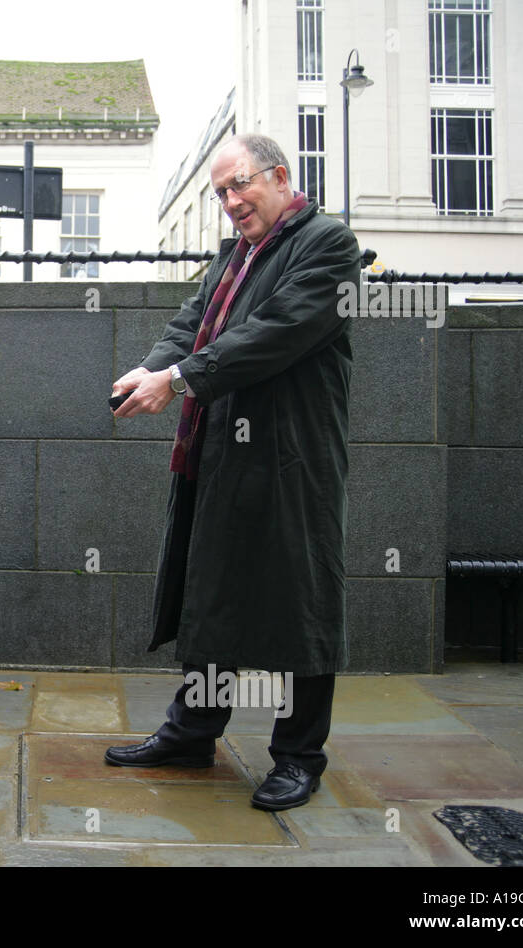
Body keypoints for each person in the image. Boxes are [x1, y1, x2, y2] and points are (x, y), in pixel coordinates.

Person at [106, 133, 359, 811]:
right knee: (211, 592)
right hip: (223, 453)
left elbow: (274, 333)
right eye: (221, 192)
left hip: (291, 460)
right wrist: (153, 368)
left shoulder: (327, 245)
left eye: (240, 185)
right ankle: (192, 733)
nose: (230, 201)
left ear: (278, 177)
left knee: (302, 602)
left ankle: (300, 756)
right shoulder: (239, 256)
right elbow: (194, 322)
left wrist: (180, 380)